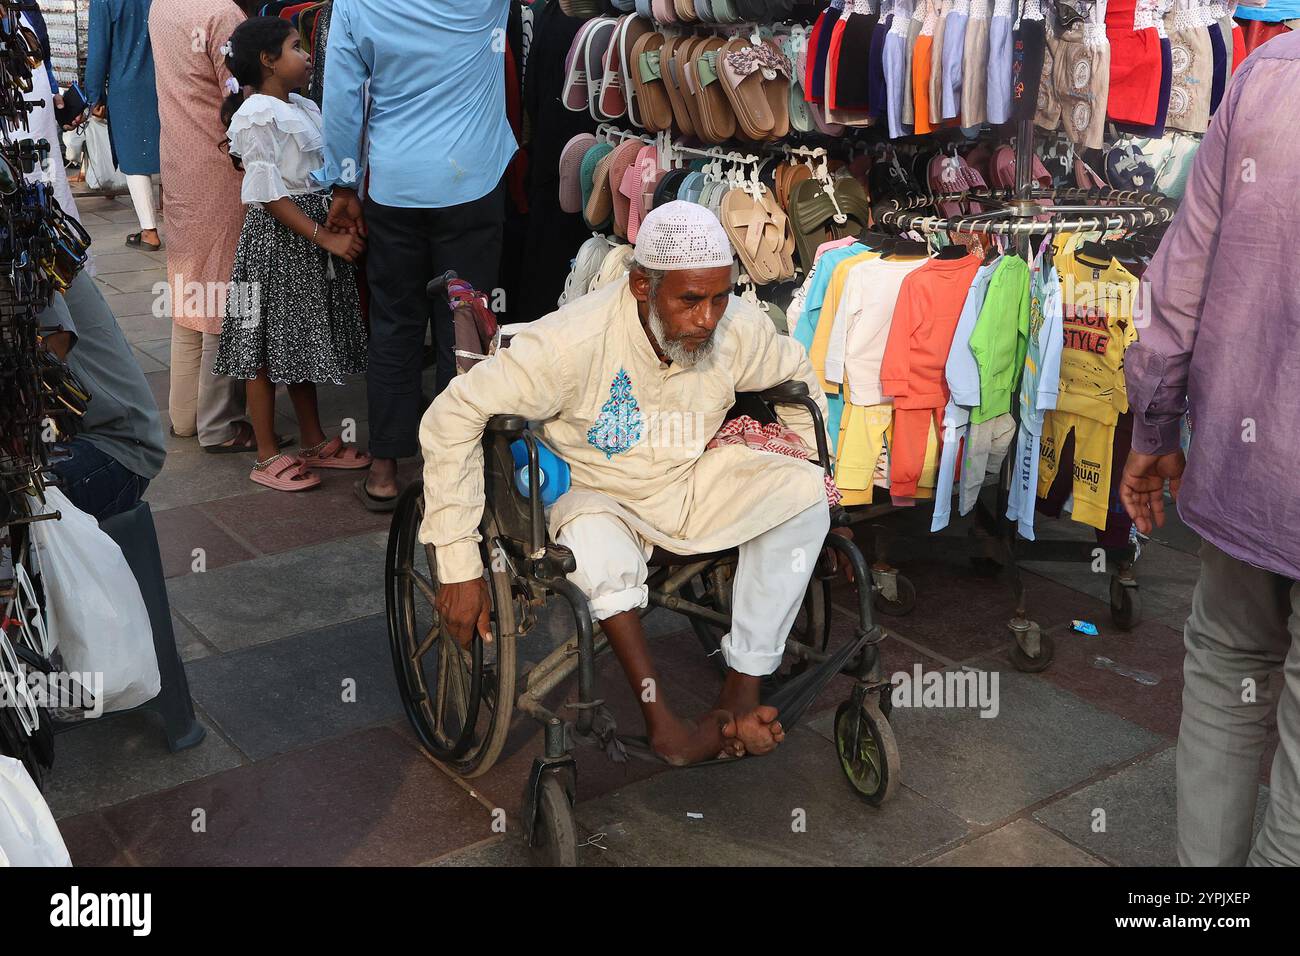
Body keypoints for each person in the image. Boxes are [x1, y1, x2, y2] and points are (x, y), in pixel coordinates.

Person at [422, 202, 833, 765]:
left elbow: (794, 374)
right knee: (591, 537)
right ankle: (664, 723)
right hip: (596, 495)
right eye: (690, 299)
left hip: (686, 482)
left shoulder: (734, 328)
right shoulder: (569, 344)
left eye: (718, 297)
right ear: (642, 285)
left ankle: (741, 690)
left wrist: (815, 465)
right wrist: (458, 563)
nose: (708, 318)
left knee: (802, 493)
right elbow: (450, 418)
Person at [1121, 34, 1300, 866]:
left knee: (1230, 669)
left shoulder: (1271, 72)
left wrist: (1152, 429)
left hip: (1248, 469)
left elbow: (1177, 282)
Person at [312, 0, 517, 512]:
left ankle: (385, 470)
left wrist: (340, 182)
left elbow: (340, 95)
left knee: (395, 324)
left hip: (395, 184)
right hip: (471, 178)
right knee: (464, 325)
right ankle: (457, 466)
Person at [212, 17, 369, 492]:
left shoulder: (298, 105)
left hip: (305, 239)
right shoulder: (257, 112)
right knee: (263, 351)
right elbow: (267, 192)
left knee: (297, 344)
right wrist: (326, 236)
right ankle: (264, 454)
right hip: (276, 244)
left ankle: (315, 439)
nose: (307, 55)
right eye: (296, 47)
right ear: (267, 60)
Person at [149, 0, 259, 451]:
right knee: (222, 289)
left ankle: (184, 415)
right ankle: (219, 423)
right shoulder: (222, 14)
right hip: (219, 167)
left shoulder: (161, 6)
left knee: (190, 288)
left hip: (178, 160)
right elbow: (240, 102)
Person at [41, 272, 166, 522]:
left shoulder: (17, 249)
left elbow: (54, 342)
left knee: (20, 497)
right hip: (78, 434)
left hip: (116, 446)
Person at [84, 0, 163, 250]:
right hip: (169, 83)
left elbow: (98, 52)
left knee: (134, 159)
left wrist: (94, 95)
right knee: (172, 153)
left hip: (127, 87)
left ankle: (149, 231)